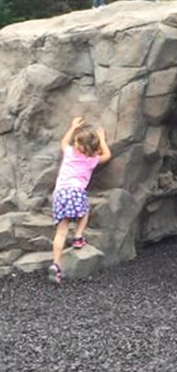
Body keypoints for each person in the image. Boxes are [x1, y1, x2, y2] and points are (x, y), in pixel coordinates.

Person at [49, 117, 112, 284]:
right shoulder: (91, 160)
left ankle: (56, 264)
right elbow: (107, 155)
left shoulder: (69, 153)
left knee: (61, 231)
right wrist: (103, 139)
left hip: (60, 193)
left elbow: (63, 142)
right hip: (76, 191)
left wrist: (72, 127)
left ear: (77, 143)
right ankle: (78, 237)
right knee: (84, 213)